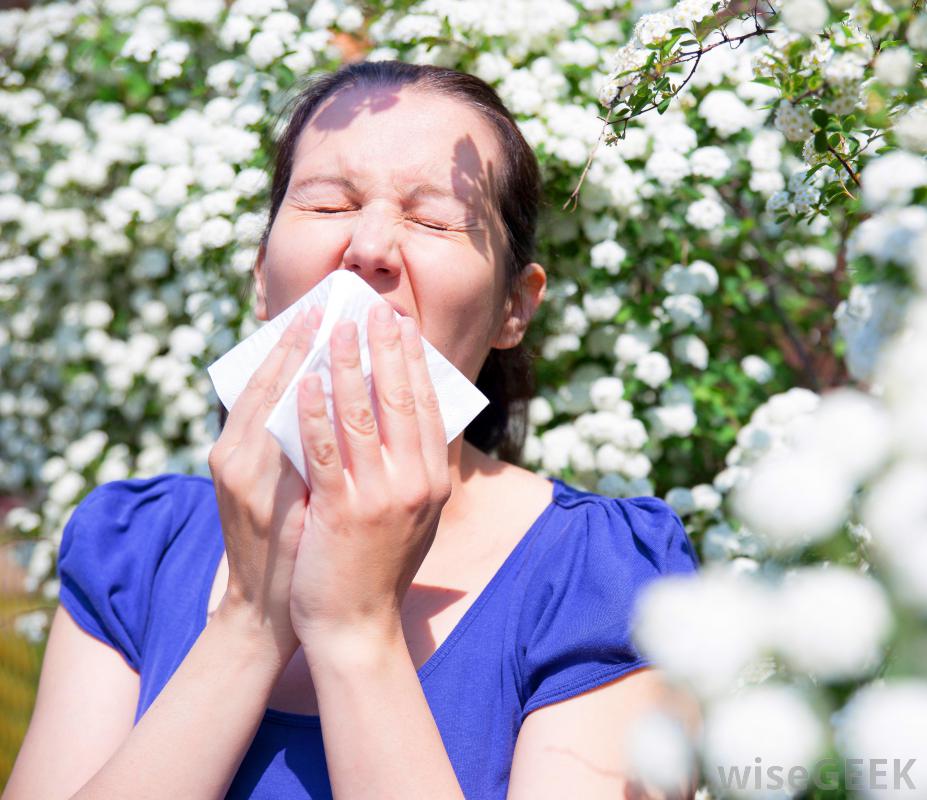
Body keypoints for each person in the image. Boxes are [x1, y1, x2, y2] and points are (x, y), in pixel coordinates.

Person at [5, 61, 700, 800]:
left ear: (513, 308)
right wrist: (249, 623)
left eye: (434, 219)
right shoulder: (135, 549)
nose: (369, 247)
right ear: (261, 273)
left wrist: (355, 634)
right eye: (327, 205)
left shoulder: (602, 581)